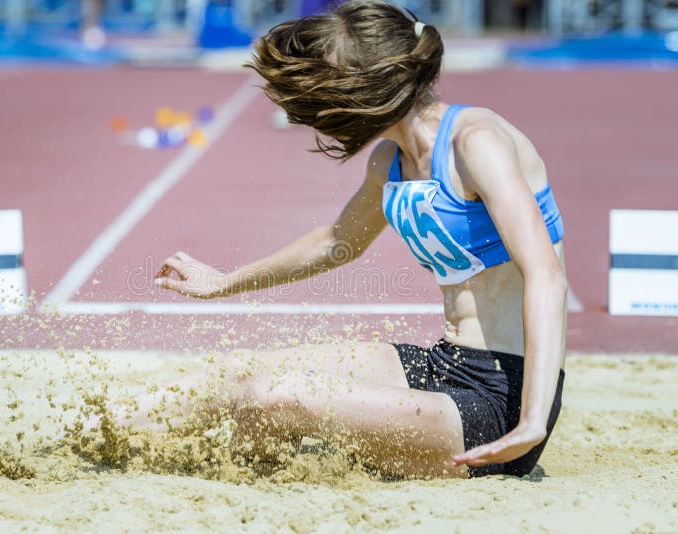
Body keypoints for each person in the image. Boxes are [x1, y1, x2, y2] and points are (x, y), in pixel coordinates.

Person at [119, 0, 567, 478]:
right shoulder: (388, 162)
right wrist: (224, 281)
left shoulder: (476, 141)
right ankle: (99, 432)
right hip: (444, 364)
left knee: (279, 397)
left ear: (369, 84)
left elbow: (546, 275)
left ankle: (187, 462)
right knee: (243, 372)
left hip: (500, 405)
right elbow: (337, 242)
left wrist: (533, 419)